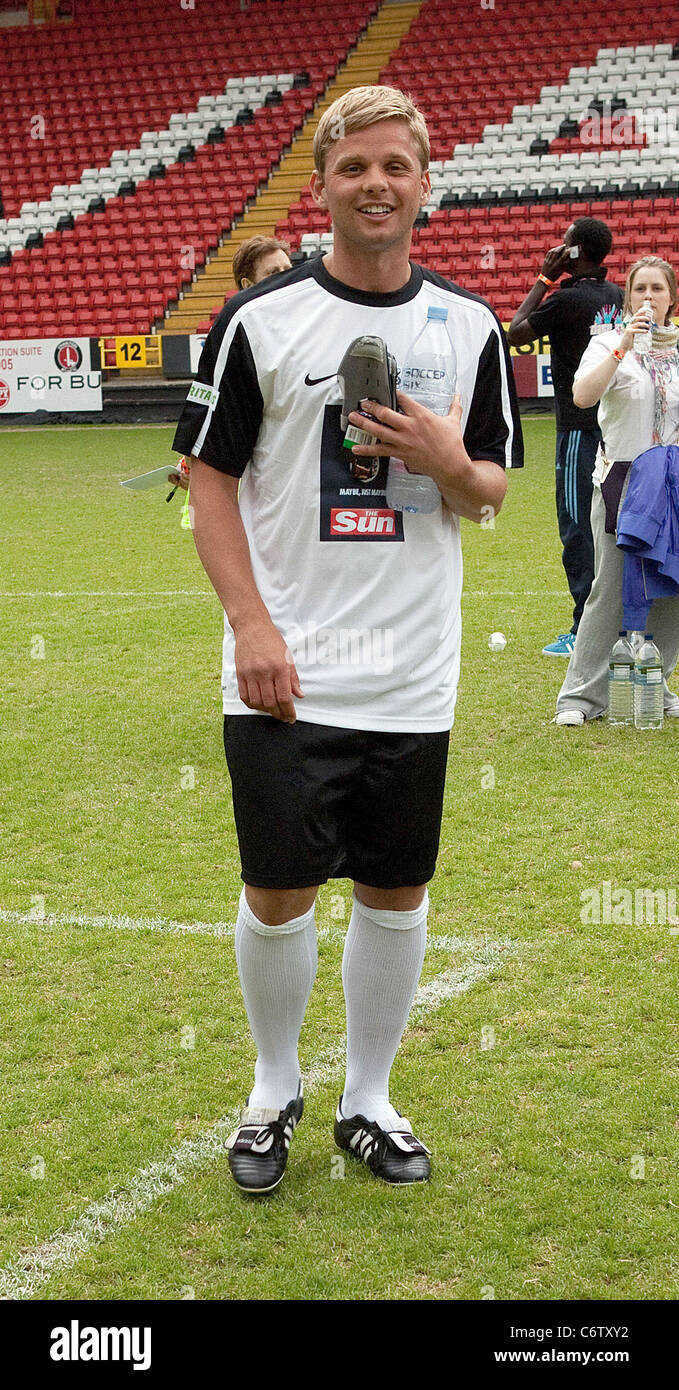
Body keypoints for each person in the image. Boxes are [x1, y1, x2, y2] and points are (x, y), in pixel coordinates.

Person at [172, 84, 523, 1193]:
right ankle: (272, 1087)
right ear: (320, 185)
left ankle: (368, 1096)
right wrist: (251, 625)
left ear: (426, 183)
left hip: (413, 670)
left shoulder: (467, 327)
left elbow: (491, 490)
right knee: (279, 888)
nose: (376, 184)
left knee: (395, 889)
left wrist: (446, 460)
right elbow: (208, 479)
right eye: (353, 167)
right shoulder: (258, 320)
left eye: (395, 166)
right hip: (285, 665)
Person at [554, 254, 679, 725]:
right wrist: (624, 344)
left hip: (675, 480)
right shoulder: (606, 342)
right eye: (640, 289)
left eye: (658, 289)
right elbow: (583, 396)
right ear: (627, 297)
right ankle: (581, 697)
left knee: (674, 585)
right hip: (623, 481)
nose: (649, 297)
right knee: (609, 588)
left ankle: (657, 679)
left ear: (671, 298)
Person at [508, 219, 623, 657]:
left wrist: (543, 278)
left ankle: (584, 630)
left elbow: (516, 332)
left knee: (576, 525)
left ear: (573, 252)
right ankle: (610, 623)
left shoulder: (566, 299)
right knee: (605, 524)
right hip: (612, 426)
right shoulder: (614, 297)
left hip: (578, 429)